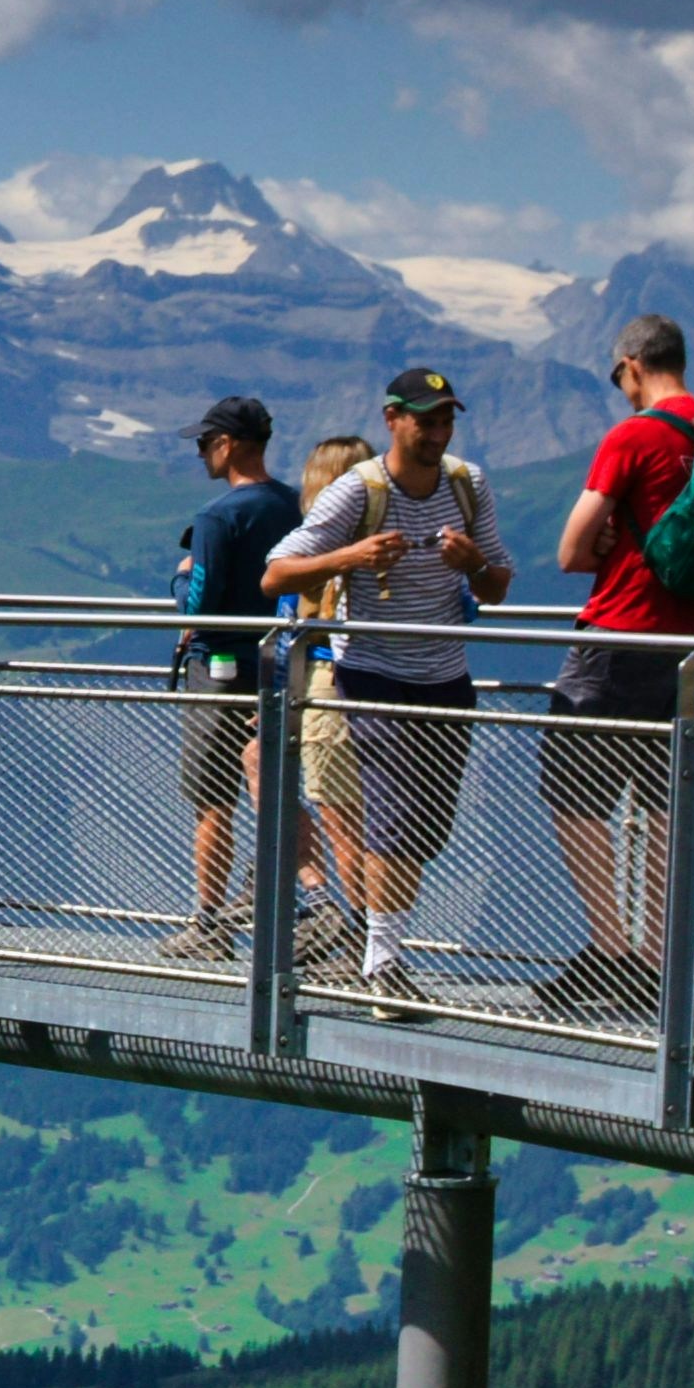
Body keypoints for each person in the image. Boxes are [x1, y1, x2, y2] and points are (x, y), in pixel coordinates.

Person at [263, 363, 507, 995]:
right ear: (392, 420)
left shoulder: (468, 485)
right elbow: (278, 573)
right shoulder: (357, 490)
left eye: (447, 418)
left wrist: (472, 563)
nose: (439, 432)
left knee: (425, 827)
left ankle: (383, 949)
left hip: (447, 678)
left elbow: (499, 587)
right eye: (427, 420)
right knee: (393, 821)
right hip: (371, 675)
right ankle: (383, 962)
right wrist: (351, 558)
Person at [544, 313, 694, 1015]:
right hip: (691, 642)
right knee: (667, 799)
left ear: (632, 365)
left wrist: (604, 543)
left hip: (619, 632)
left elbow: (571, 553)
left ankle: (611, 953)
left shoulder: (632, 435)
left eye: (616, 376)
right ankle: (664, 963)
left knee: (571, 788)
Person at [167, 395, 297, 953]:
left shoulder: (218, 516)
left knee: (211, 796)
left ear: (229, 444)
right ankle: (289, 899)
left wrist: (182, 576)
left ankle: (208, 923)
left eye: (205, 443)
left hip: (219, 667)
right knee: (273, 780)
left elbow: (200, 607)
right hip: (283, 665)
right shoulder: (296, 504)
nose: (200, 454)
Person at [291, 436, 379, 936]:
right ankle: (376, 937)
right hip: (393, 682)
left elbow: (294, 628)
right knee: (378, 819)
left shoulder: (321, 548)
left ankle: (358, 933)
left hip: (331, 685)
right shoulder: (395, 534)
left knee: (341, 819)